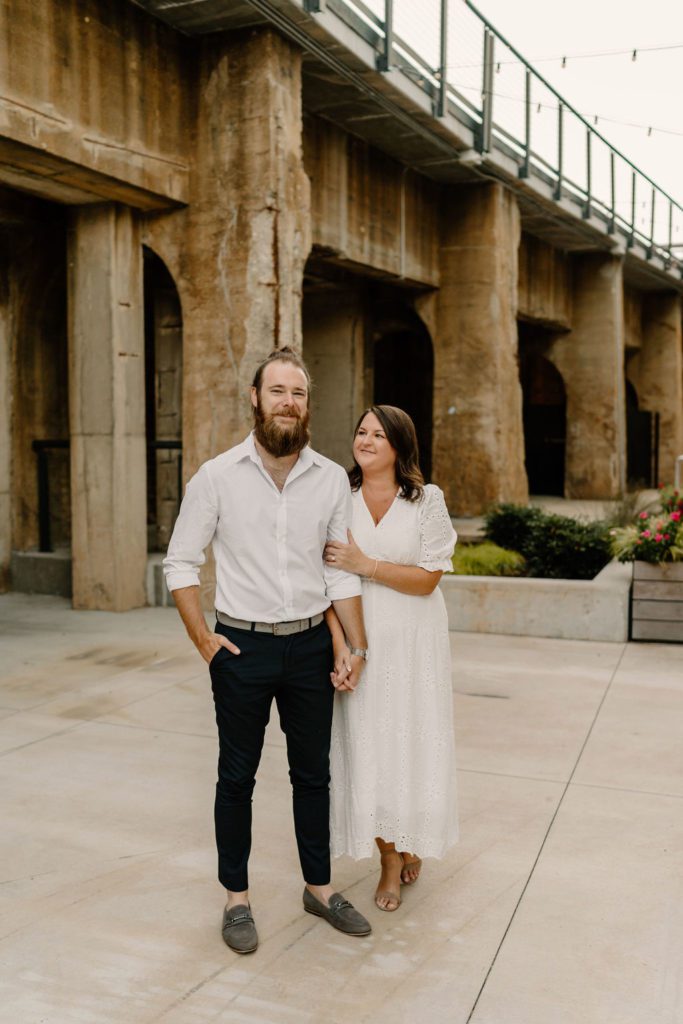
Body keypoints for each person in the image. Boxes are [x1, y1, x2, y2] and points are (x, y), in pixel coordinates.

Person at [163, 347, 372, 954]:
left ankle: (319, 887)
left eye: (298, 394)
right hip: (242, 649)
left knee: (313, 775)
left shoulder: (331, 478)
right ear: (255, 399)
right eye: (277, 391)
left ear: (308, 405)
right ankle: (237, 900)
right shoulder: (217, 476)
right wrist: (204, 639)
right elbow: (180, 561)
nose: (288, 402)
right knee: (237, 777)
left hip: (310, 645)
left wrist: (353, 645)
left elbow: (339, 574)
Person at [323, 405, 458, 911]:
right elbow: (328, 582)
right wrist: (342, 646)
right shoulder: (340, 498)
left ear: (400, 445)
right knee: (370, 747)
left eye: (379, 435)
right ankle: (388, 858)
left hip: (416, 642)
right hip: (362, 641)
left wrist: (367, 564)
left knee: (412, 745)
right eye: (361, 432)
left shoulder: (427, 501)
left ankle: (410, 840)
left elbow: (428, 579)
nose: (367, 441)